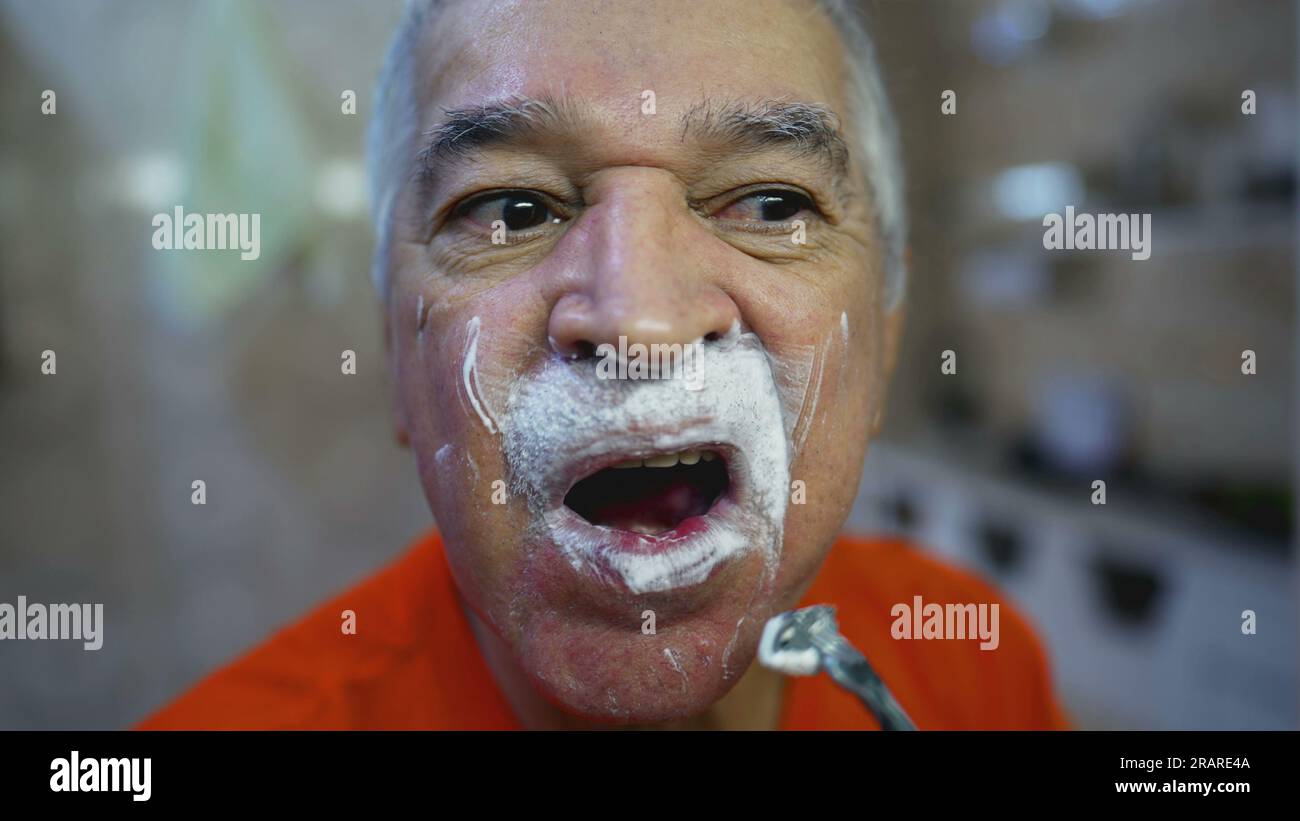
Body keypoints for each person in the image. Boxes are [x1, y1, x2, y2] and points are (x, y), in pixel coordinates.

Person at [140, 0, 1068, 730]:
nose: (640, 318)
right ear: (396, 354)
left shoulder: (971, 654)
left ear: (887, 330)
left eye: (773, 202)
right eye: (511, 210)